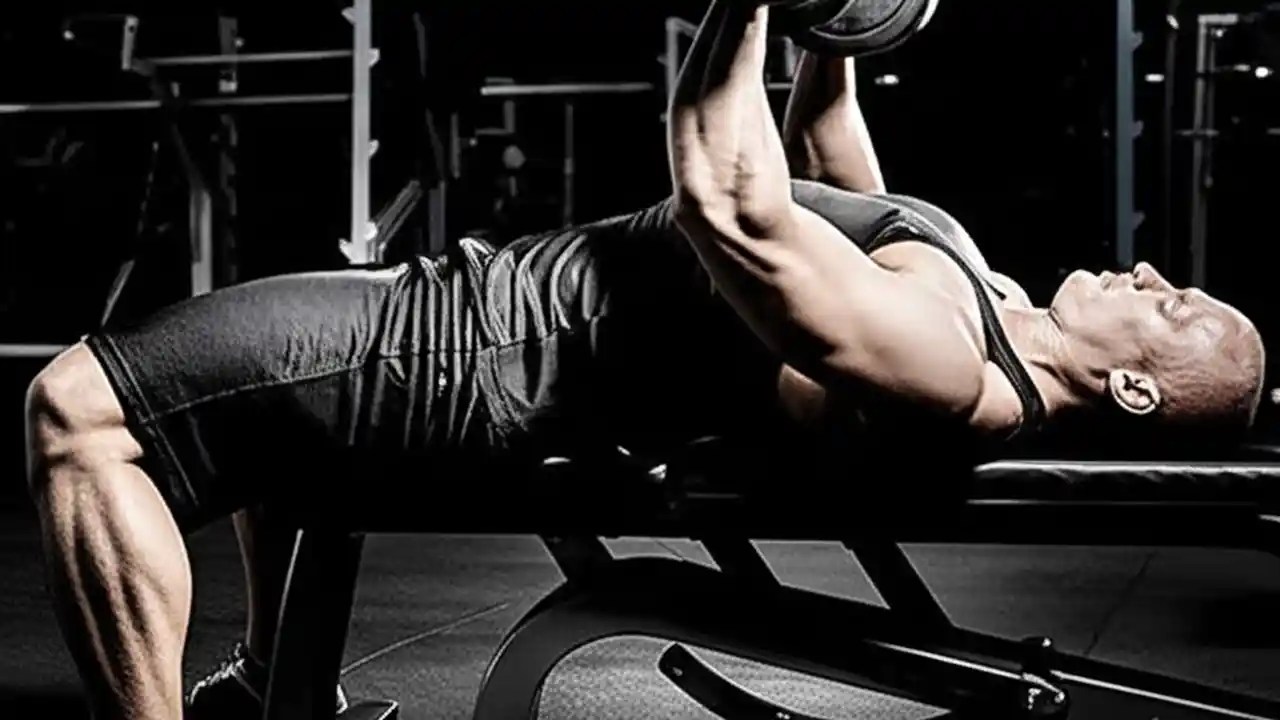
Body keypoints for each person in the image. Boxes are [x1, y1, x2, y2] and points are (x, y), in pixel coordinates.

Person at [24, 2, 1266, 719]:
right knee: (259, 420)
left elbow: (731, 196)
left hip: (475, 353)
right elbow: (826, 152)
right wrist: (834, 29)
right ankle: (272, 691)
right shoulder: (978, 297)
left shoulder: (948, 365)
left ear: (1135, 388)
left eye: (1171, 309)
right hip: (484, 304)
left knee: (77, 408)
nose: (1149, 277)